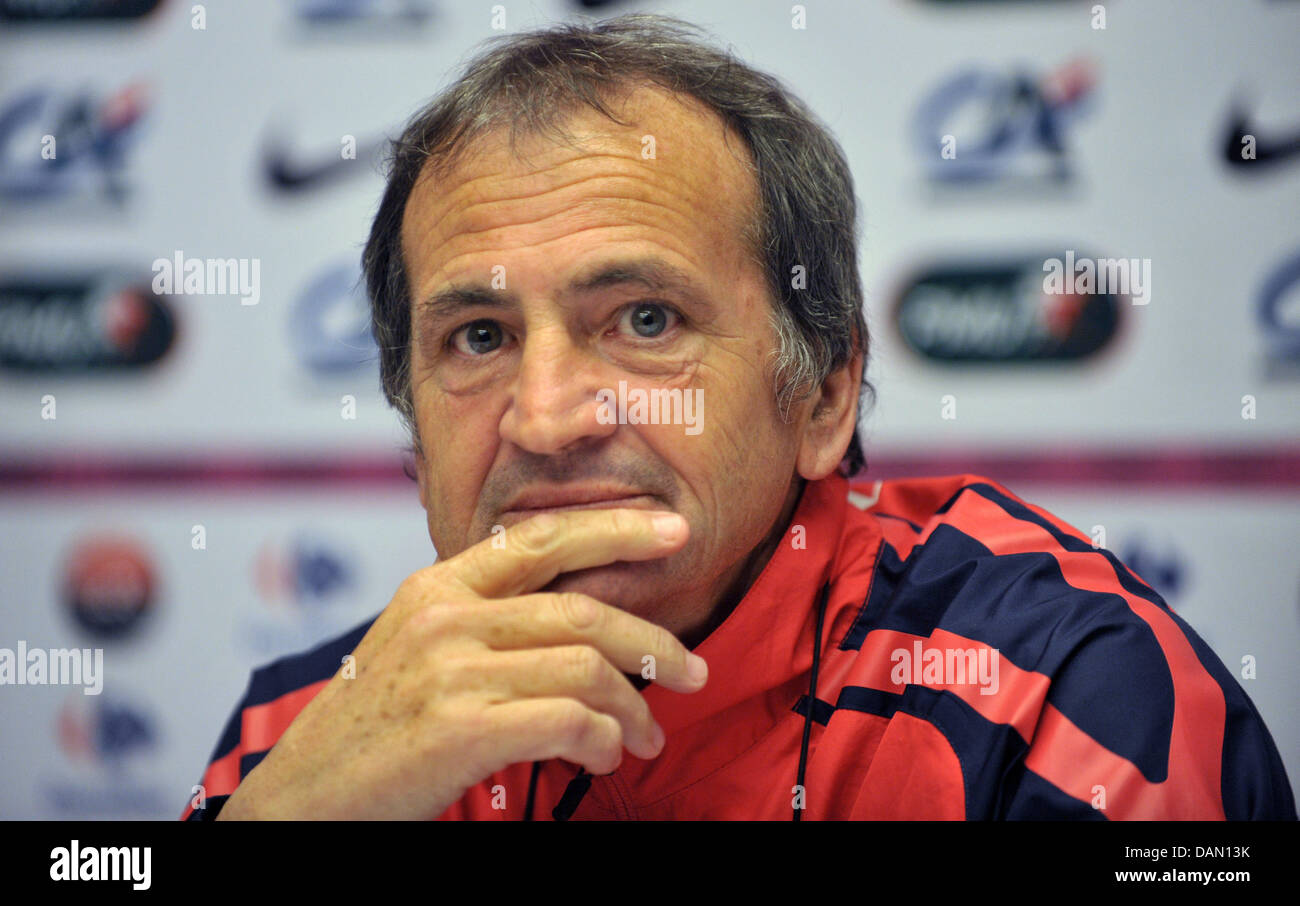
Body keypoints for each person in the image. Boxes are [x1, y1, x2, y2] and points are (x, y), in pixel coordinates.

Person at [182, 14, 1295, 821]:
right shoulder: (311, 730)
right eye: (478, 337)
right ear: (413, 430)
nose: (547, 416)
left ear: (821, 395)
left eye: (645, 318)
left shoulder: (1059, 692)